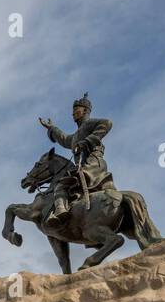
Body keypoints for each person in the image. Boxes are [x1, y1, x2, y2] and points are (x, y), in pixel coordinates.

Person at [38, 93, 114, 225]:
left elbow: (107, 123)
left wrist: (86, 142)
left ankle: (61, 211)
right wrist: (52, 128)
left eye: (75, 110)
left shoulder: (89, 124)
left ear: (85, 111)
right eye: (72, 111)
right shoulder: (75, 136)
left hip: (93, 163)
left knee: (62, 184)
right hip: (83, 166)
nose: (73, 114)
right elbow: (64, 139)